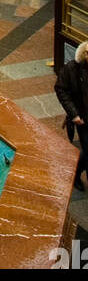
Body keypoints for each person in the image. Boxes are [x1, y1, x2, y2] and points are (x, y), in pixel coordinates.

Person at [54, 41, 88, 192]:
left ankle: (76, 170)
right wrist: (73, 114)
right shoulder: (71, 69)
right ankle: (76, 173)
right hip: (83, 119)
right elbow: (61, 90)